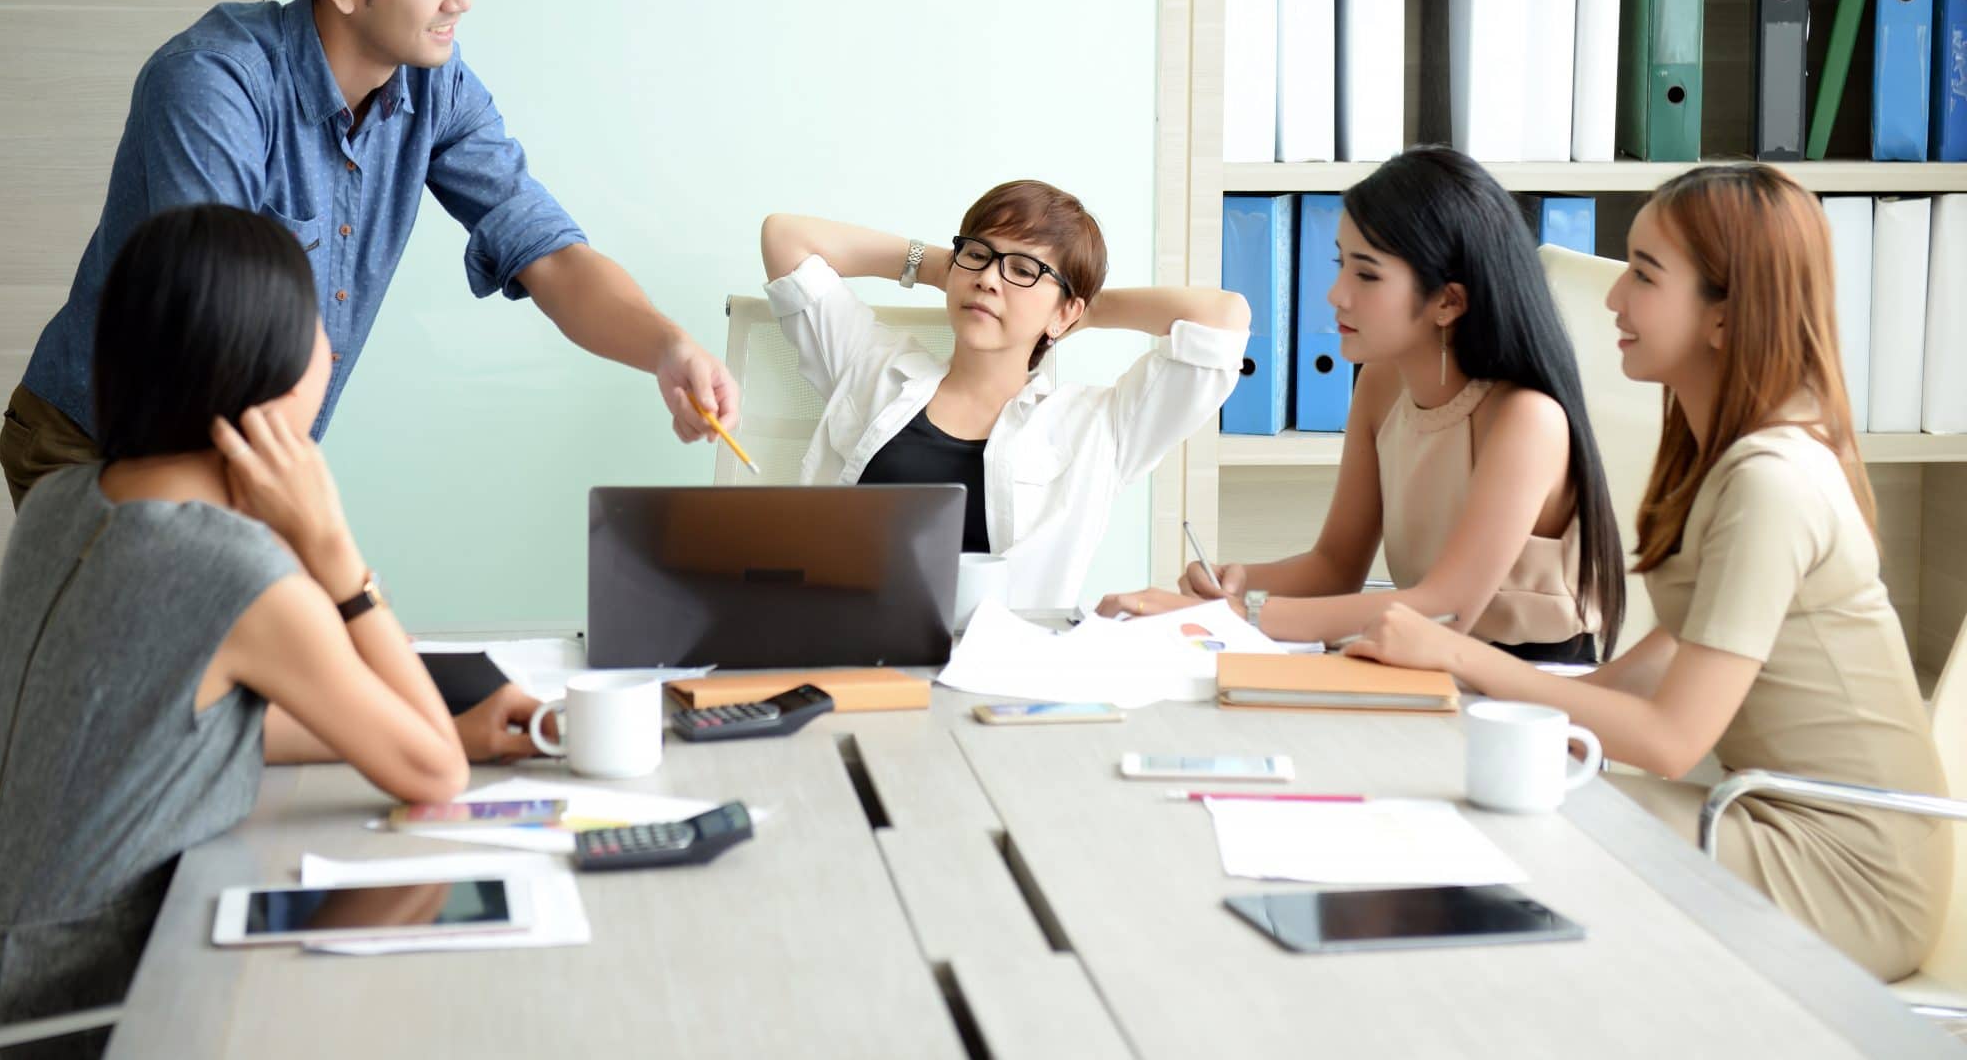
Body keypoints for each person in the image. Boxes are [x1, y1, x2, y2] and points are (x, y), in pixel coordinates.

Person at [2, 0, 737, 503]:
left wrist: (668, 349)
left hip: (251, 456)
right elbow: (217, 328)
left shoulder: (434, 82)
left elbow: (552, 255)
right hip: (99, 447)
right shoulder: (211, 83)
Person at [1347, 164, 1951, 981]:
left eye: (1643, 274)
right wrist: (1507, 709)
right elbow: (1675, 645)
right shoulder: (1724, 452)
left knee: (1511, 844)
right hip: (1770, 819)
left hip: (1847, 872)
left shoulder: (1771, 482)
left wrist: (1460, 657)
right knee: (1487, 806)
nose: (1612, 300)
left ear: (1724, 316)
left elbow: (1672, 739)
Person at [0, 205, 500, 1044]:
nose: (330, 352)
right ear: (256, 365)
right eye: (312, 330)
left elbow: (160, 730)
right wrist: (334, 551)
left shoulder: (61, 501)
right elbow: (436, 775)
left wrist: (455, 726)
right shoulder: (240, 573)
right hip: (87, 1019)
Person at [1099, 148, 1626, 663]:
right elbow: (1334, 566)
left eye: (1367, 275)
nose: (1335, 294)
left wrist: (1238, 616)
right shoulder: (1380, 383)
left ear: (1448, 301)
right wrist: (1234, 583)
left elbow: (1447, 610)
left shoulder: (1526, 418)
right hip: (1416, 659)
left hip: (1533, 679)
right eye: (1341, 263)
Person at [759, 181, 1249, 612]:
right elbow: (785, 237)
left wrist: (1080, 311)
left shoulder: (1099, 427)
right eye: (979, 254)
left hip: (1001, 678)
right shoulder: (872, 367)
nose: (989, 278)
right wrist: (946, 269)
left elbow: (1223, 318)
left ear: (1065, 312)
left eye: (1024, 269)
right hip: (846, 648)